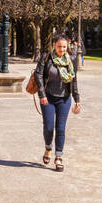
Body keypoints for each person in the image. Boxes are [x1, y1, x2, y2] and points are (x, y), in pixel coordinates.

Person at [33, 33, 81, 172]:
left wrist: (77, 99)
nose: (62, 49)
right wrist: (41, 94)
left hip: (64, 99)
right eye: (59, 46)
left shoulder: (71, 59)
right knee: (49, 127)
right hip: (47, 98)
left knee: (60, 128)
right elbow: (38, 75)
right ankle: (48, 147)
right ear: (54, 45)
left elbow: (74, 80)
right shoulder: (46, 58)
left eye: (64, 47)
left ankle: (58, 156)